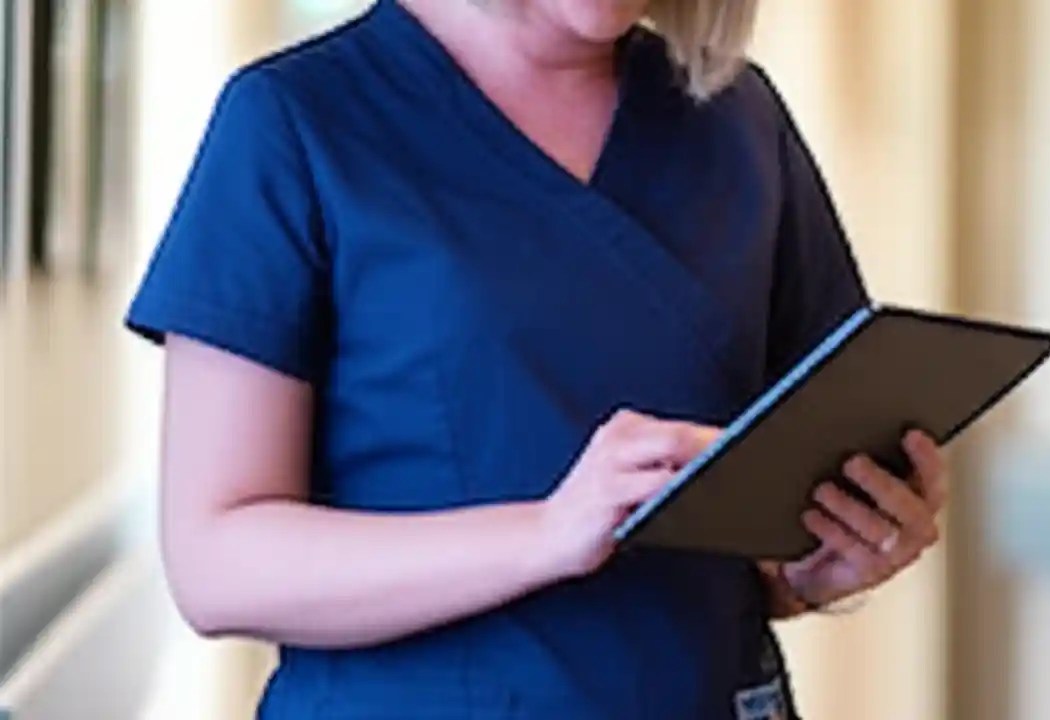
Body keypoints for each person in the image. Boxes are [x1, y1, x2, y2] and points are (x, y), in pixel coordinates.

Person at [125, 0, 949, 717]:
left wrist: (825, 565)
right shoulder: (296, 121)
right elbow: (215, 561)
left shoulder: (740, 121)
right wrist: (545, 534)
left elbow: (761, 530)